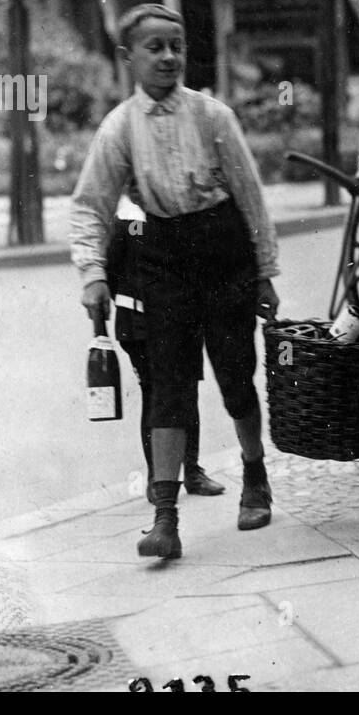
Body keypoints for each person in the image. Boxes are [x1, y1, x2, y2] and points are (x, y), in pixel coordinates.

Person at [70, 3, 281, 559]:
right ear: (128, 58)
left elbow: (251, 197)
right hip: (163, 255)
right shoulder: (119, 128)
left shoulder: (213, 117)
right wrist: (93, 272)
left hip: (223, 250)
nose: (168, 56)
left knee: (236, 373)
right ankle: (165, 517)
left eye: (177, 45)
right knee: (168, 383)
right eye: (155, 47)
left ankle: (255, 475)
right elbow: (90, 206)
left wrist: (264, 272)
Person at [104, 187, 226, 501]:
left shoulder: (181, 212)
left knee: (188, 390)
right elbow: (110, 273)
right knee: (157, 394)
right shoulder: (127, 220)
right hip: (140, 322)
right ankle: (158, 479)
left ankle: (193, 471)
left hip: (183, 317)